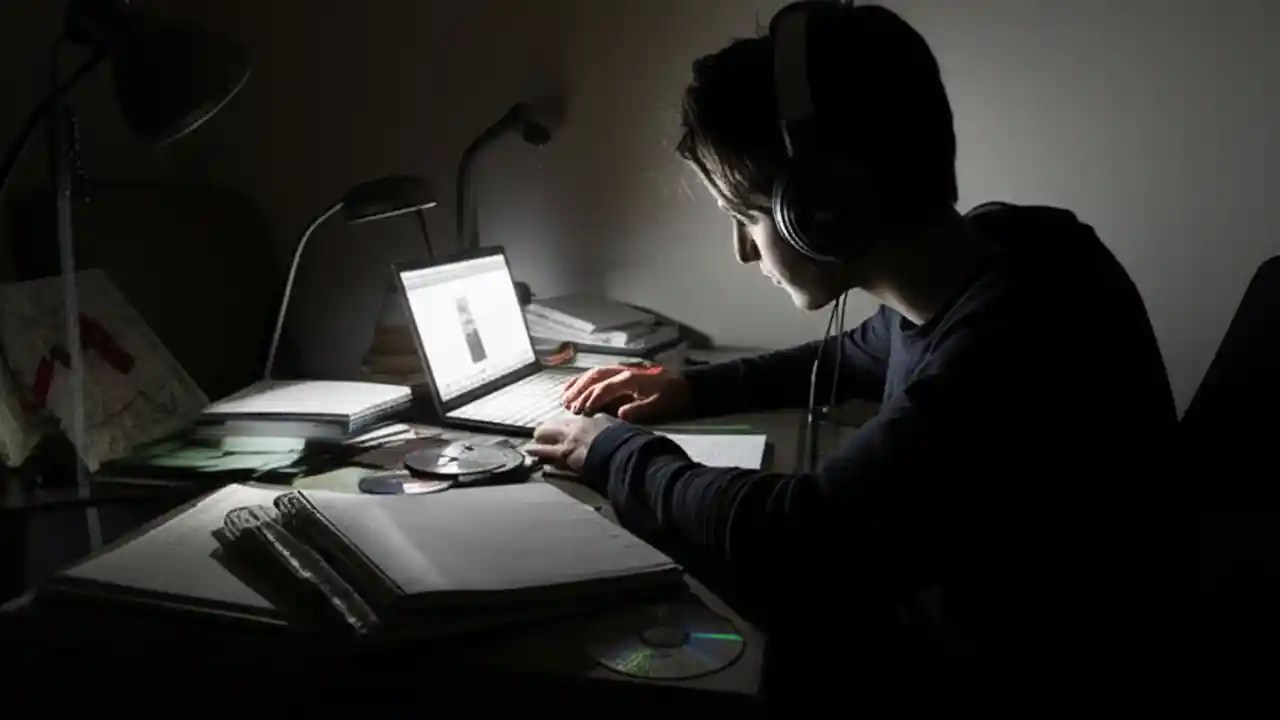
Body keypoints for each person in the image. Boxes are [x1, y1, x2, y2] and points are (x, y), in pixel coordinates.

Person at [527, 1, 1178, 707]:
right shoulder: (1006, 253)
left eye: (748, 216)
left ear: (823, 205)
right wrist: (693, 390)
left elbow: (795, 542)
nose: (745, 250)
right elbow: (862, 351)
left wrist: (615, 455)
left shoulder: (1020, 341)